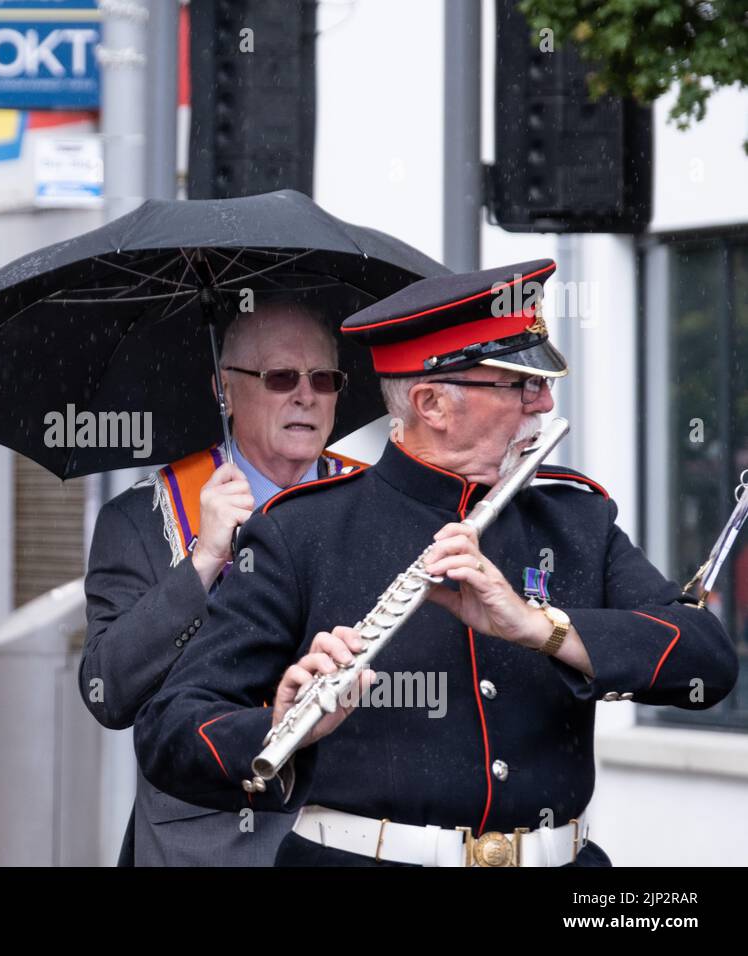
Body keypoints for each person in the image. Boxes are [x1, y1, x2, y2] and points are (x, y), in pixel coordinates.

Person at [135, 260, 738, 867]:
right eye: (519, 384)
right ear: (432, 403)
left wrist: (543, 629)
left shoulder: (575, 520)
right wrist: (282, 728)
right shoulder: (304, 532)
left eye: (543, 381)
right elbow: (169, 731)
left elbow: (706, 662)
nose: (545, 401)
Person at [81, 294, 364, 866]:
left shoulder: (371, 501)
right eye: (281, 376)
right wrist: (204, 560)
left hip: (349, 828)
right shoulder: (142, 516)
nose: (306, 395)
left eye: (324, 377)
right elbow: (107, 691)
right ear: (224, 389)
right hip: (205, 838)